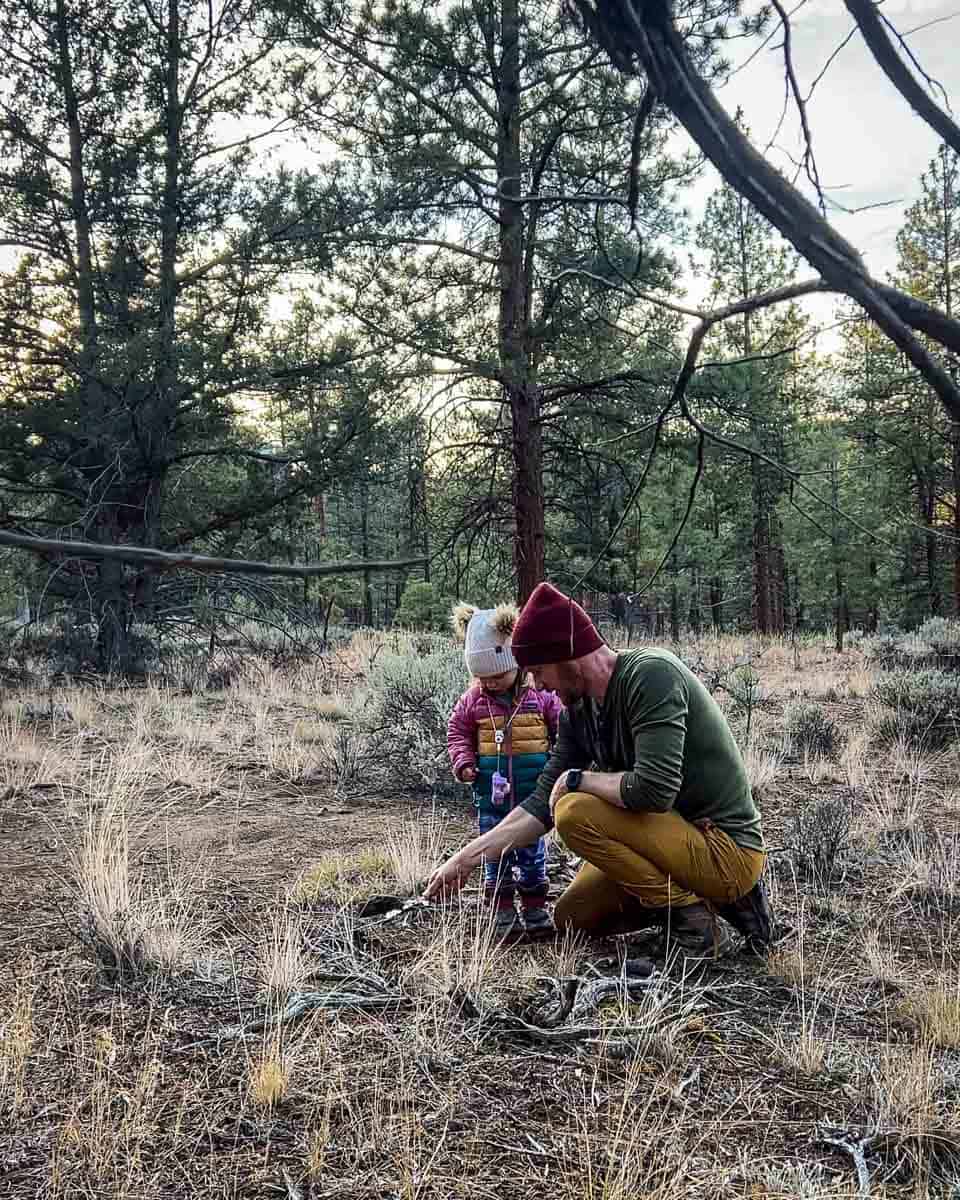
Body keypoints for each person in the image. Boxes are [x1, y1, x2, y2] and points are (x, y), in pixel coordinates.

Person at [428, 583, 773, 957]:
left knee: (573, 810)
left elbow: (654, 791)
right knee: (572, 917)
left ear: (568, 654)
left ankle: (693, 917)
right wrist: (465, 860)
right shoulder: (579, 710)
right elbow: (540, 803)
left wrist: (578, 779)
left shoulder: (651, 675)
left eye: (540, 670)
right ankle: (694, 899)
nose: (538, 684)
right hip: (669, 841)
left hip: (724, 851)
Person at [447, 603, 564, 937]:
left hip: (532, 798)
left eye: (497, 675)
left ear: (515, 664)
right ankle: (502, 912)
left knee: (531, 854)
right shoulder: (473, 701)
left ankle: (535, 909)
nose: (489, 684)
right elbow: (457, 732)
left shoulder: (540, 698)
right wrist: (464, 762)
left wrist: (557, 770)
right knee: (494, 856)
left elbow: (563, 730)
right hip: (491, 798)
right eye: (481, 677)